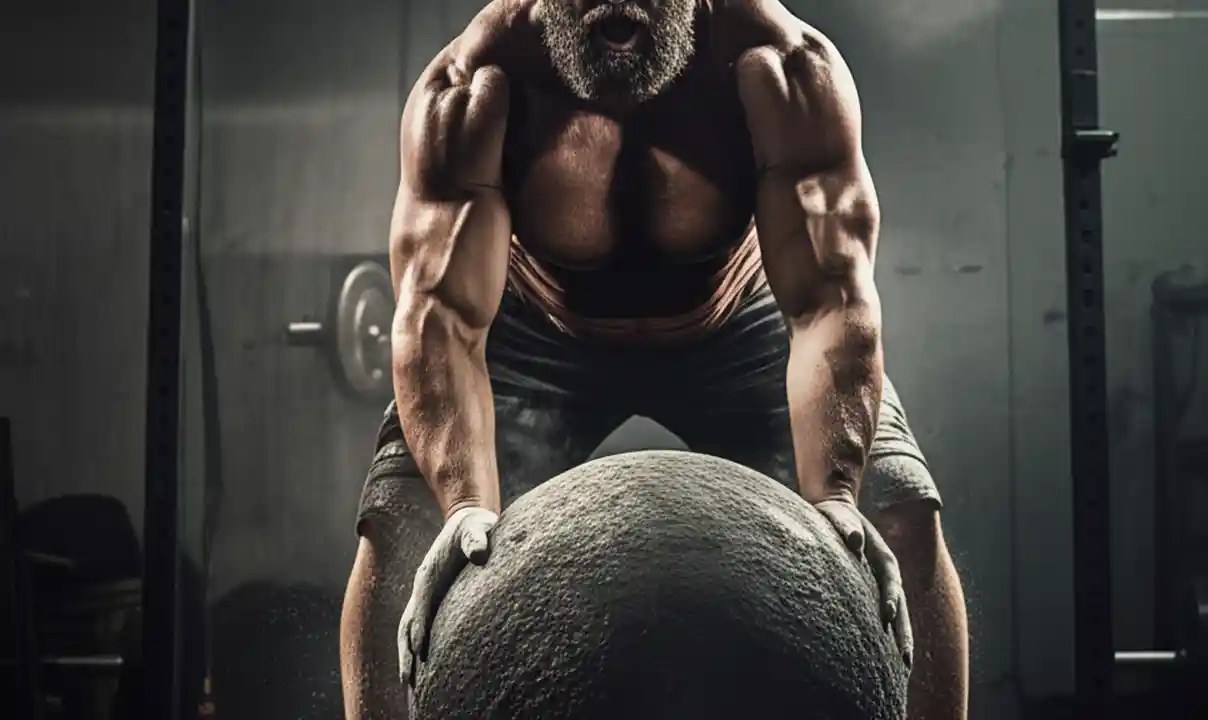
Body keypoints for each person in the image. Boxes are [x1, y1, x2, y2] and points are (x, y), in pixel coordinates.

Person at [339, 1, 969, 718]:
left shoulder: (783, 69)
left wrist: (835, 492)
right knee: (401, 525)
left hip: (738, 326)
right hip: (535, 331)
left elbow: (829, 301)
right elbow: (441, 316)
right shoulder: (476, 86)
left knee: (897, 519)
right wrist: (463, 502)